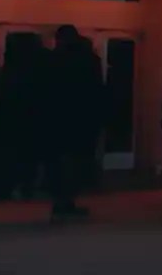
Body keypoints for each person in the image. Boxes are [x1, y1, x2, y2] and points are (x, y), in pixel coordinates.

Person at [0, 34, 81, 226]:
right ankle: (63, 203)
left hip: (18, 128)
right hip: (37, 127)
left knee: (8, 168)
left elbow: (4, 101)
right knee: (51, 165)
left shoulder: (12, 70)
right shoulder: (42, 67)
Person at [47, 25, 105, 205]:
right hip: (84, 117)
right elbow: (97, 90)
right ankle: (68, 198)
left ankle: (62, 197)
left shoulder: (57, 58)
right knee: (78, 157)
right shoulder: (89, 59)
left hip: (62, 116)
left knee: (62, 158)